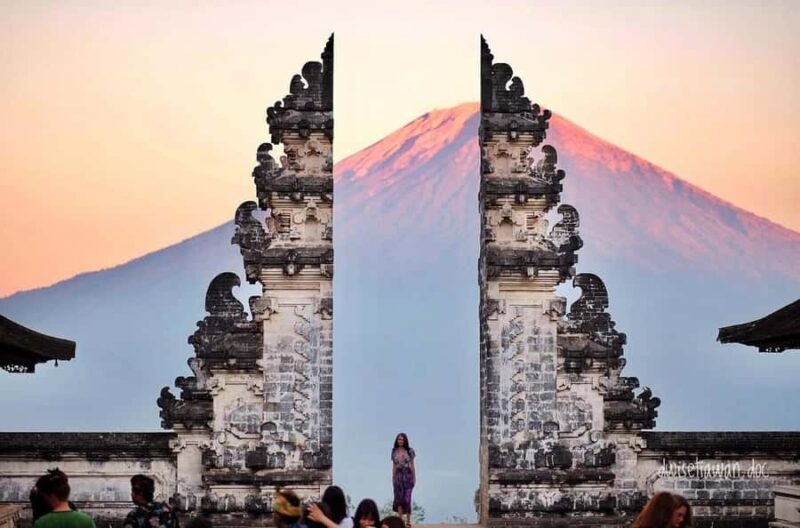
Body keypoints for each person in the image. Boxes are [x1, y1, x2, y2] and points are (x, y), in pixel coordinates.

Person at [390, 433, 416, 524]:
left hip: (408, 475)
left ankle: (408, 521)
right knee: (399, 499)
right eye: (399, 439)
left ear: (405, 440)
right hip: (398, 476)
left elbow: (412, 465)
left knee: (407, 498)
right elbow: (394, 466)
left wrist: (414, 477)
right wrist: (393, 478)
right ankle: (400, 521)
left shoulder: (410, 451)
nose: (400, 441)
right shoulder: (394, 451)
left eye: (402, 439)